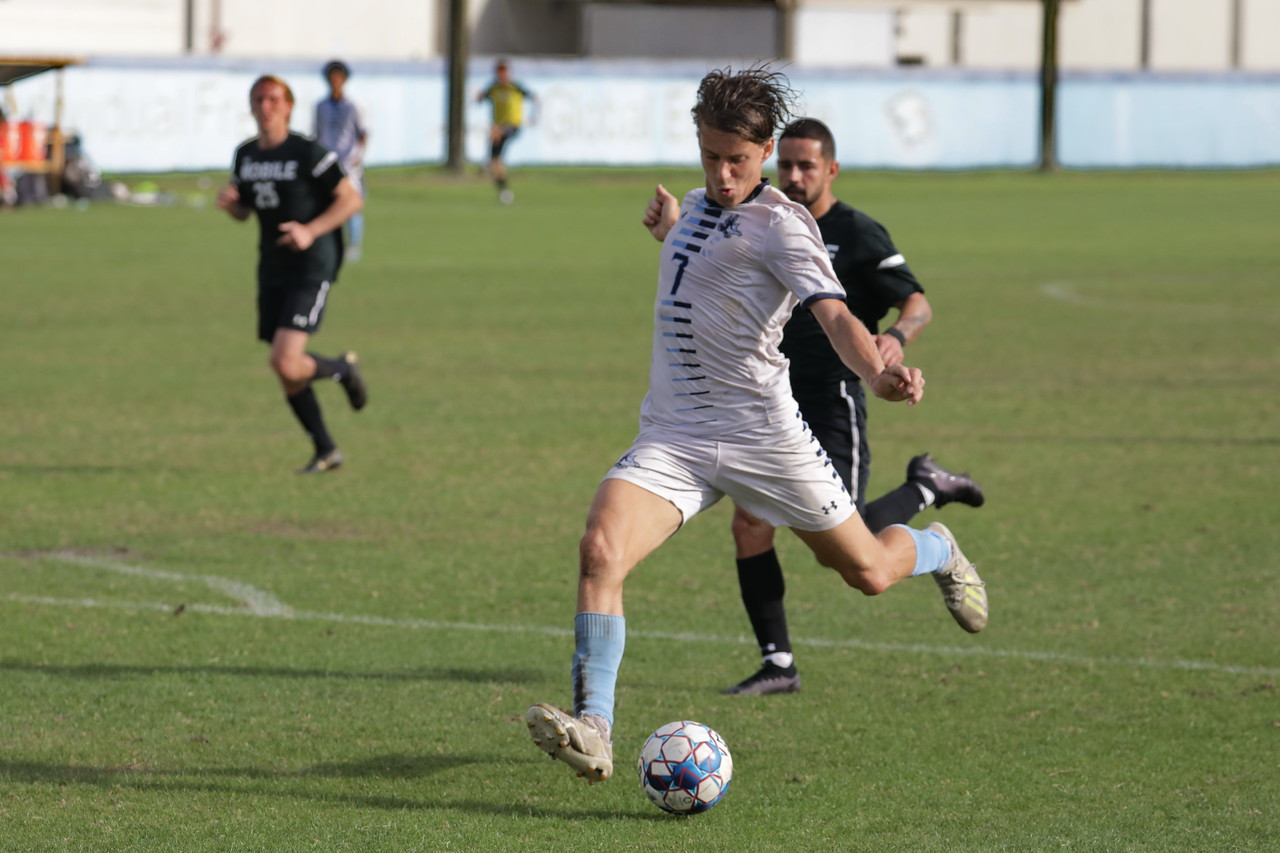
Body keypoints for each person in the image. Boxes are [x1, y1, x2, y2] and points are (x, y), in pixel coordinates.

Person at [525, 67, 988, 786]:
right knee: (599, 548)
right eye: (710, 155)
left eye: (737, 159)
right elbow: (712, 266)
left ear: (765, 150)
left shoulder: (785, 225)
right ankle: (595, 726)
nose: (722, 172)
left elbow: (834, 316)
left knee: (863, 570)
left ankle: (934, 544)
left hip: (764, 437)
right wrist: (670, 232)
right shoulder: (693, 204)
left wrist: (880, 371)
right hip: (675, 435)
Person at [712, 118, 987, 696]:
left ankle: (928, 490)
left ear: (830, 169)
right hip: (770, 402)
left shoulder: (857, 233)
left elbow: (916, 301)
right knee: (750, 526)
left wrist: (898, 336)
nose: (793, 175)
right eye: (784, 164)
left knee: (854, 543)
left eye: (805, 165)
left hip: (833, 398)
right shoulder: (764, 222)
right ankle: (779, 664)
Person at [217, 75, 368, 474]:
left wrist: (311, 230)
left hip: (312, 264)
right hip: (272, 267)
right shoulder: (245, 155)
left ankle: (341, 371)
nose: (265, 106)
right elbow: (246, 211)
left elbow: (352, 200)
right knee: (286, 368)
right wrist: (232, 205)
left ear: (288, 107)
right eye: (259, 100)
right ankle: (326, 450)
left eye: (273, 99)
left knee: (285, 361)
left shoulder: (307, 152)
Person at [314, 59, 368, 261]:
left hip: (348, 163)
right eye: (331, 77)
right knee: (326, 203)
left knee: (351, 203)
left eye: (338, 77)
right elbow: (318, 133)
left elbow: (362, 133)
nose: (334, 81)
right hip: (327, 162)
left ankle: (354, 245)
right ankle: (329, 243)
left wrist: (358, 157)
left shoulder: (353, 106)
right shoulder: (321, 106)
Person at [475, 60, 536, 205]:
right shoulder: (493, 88)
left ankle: (487, 164)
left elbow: (534, 98)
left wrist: (534, 117)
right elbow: (480, 99)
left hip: (512, 126)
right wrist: (478, 97)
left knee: (495, 132)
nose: (502, 74)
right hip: (499, 127)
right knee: (496, 161)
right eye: (499, 71)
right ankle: (504, 191)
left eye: (504, 71)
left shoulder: (515, 87)